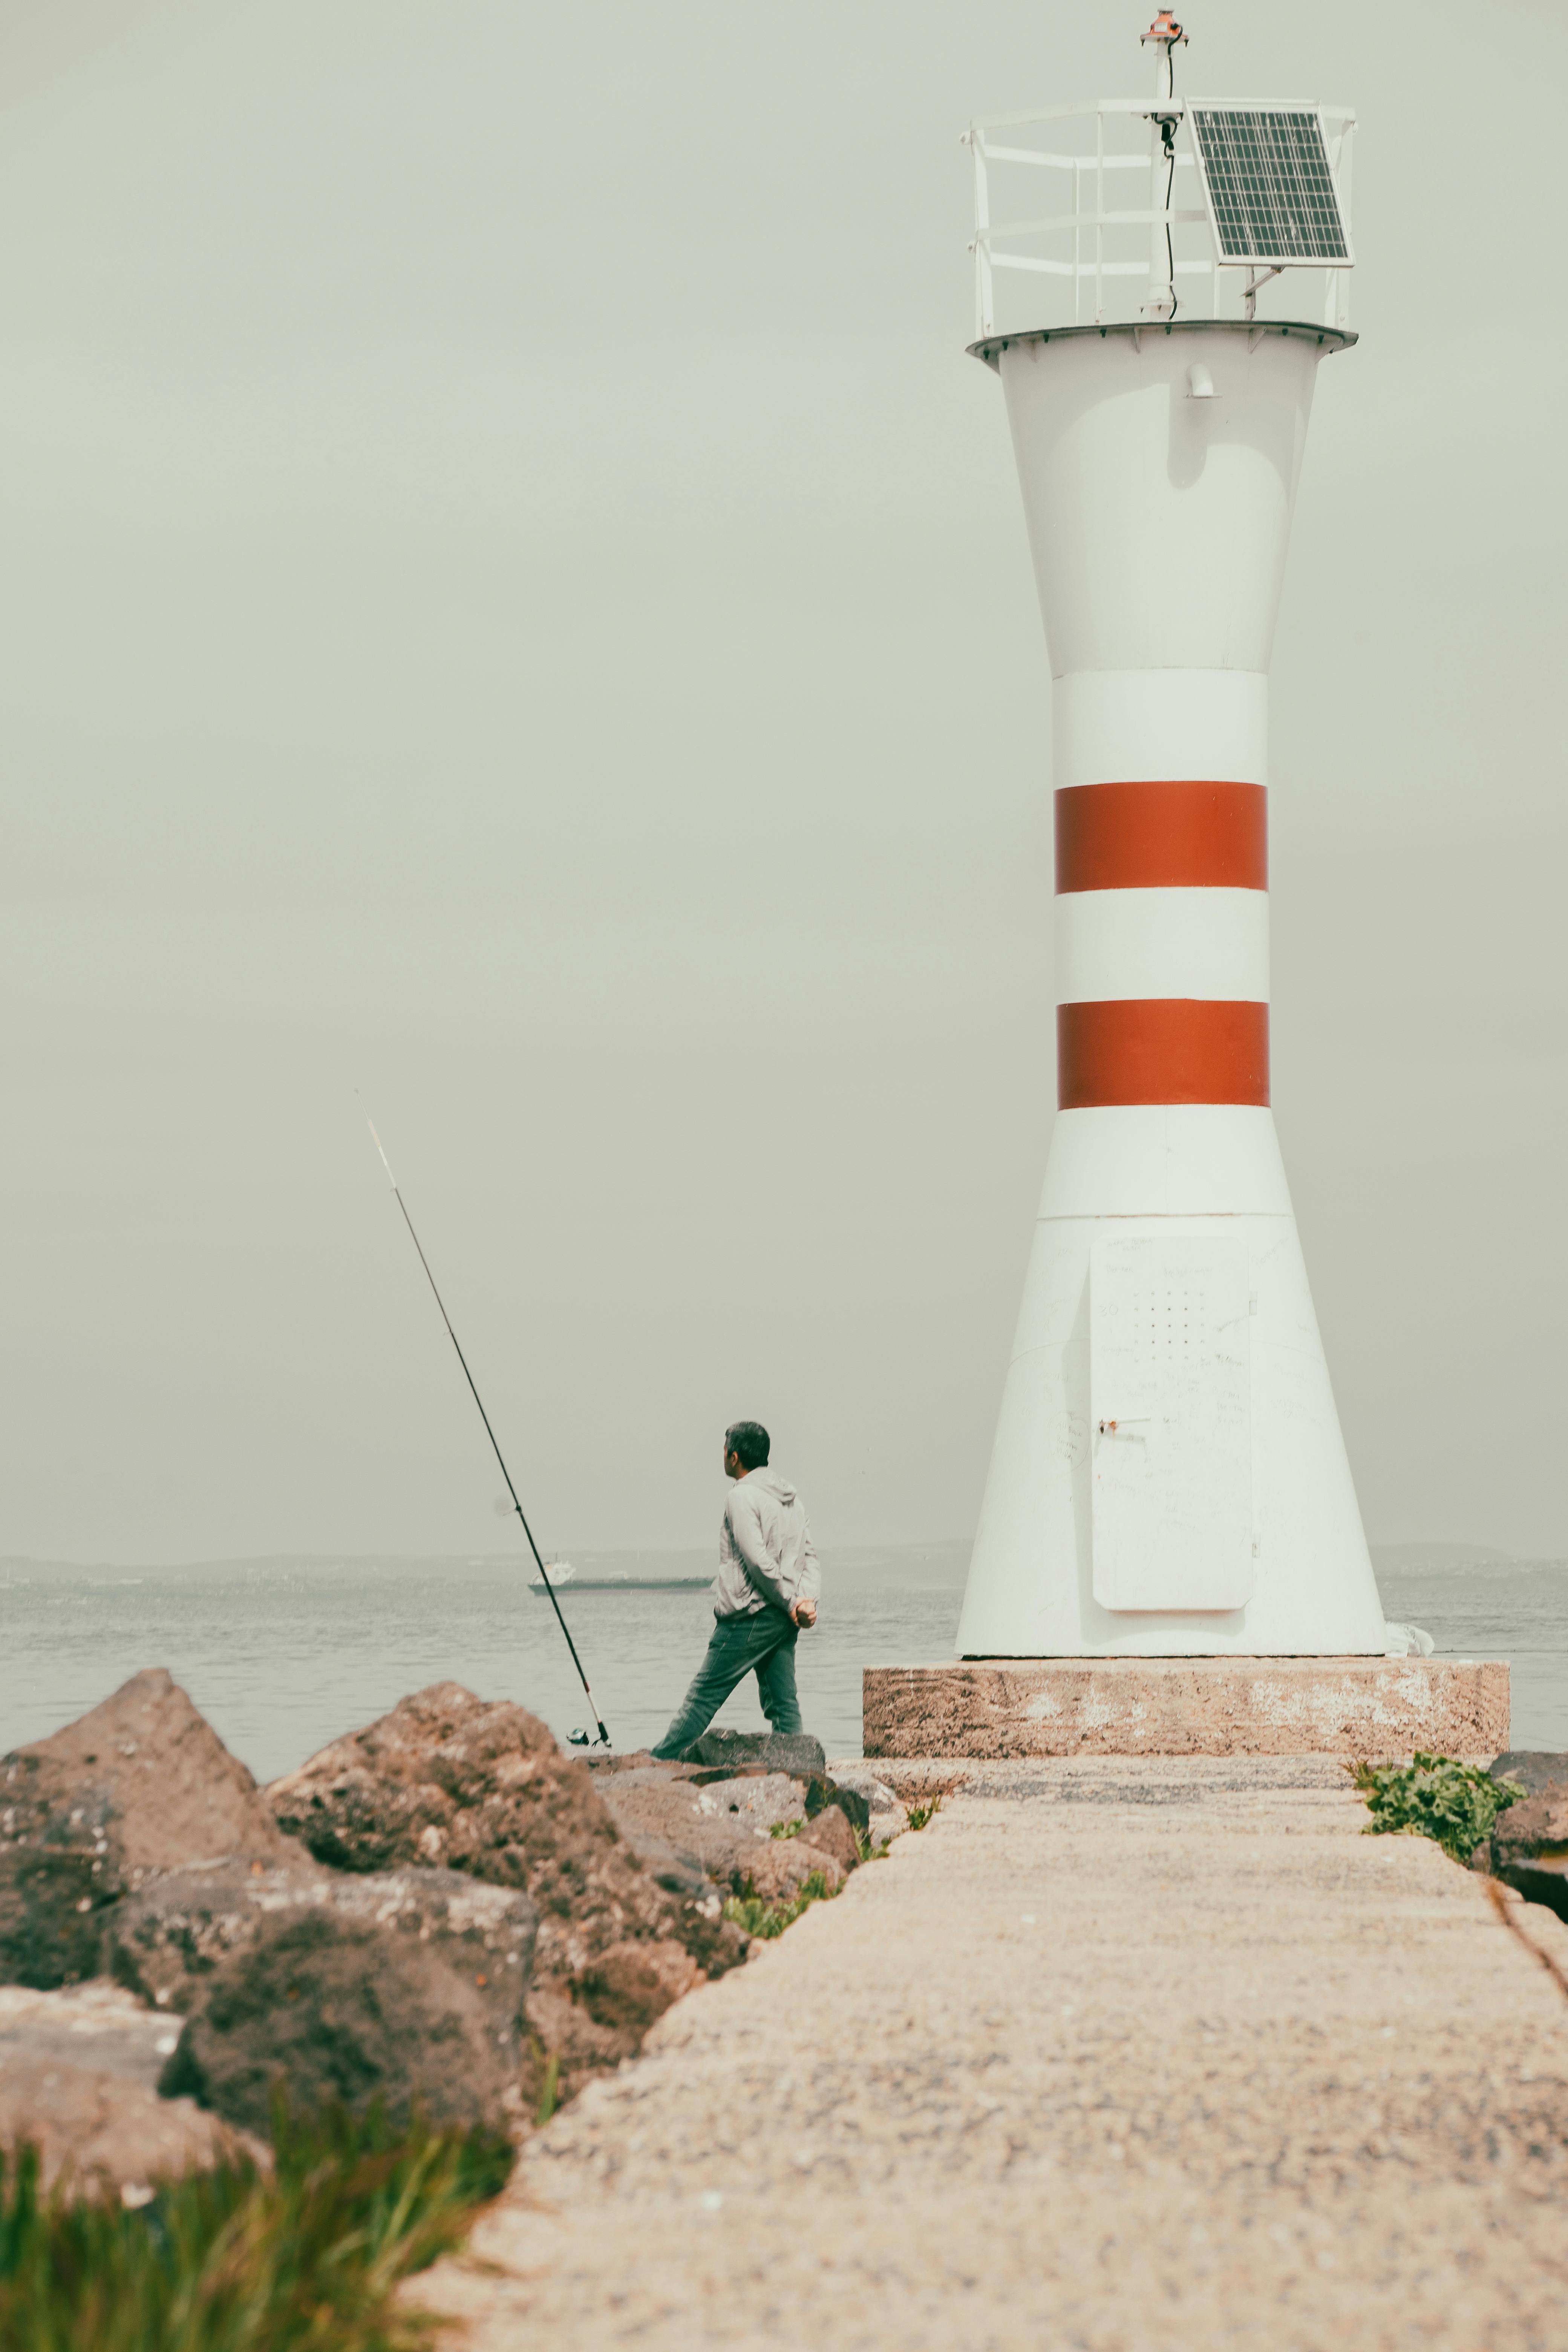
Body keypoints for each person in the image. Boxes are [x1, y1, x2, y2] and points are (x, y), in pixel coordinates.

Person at [651, 1421, 820, 1759]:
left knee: (703, 1698)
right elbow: (810, 1558)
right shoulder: (793, 1501)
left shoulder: (740, 1496)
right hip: (784, 1618)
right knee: (783, 1702)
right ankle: (801, 1773)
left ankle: (658, 1764)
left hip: (748, 1616)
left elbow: (756, 1561)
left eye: (725, 1450)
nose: (723, 1456)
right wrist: (805, 1601)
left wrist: (791, 1602)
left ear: (735, 1456)